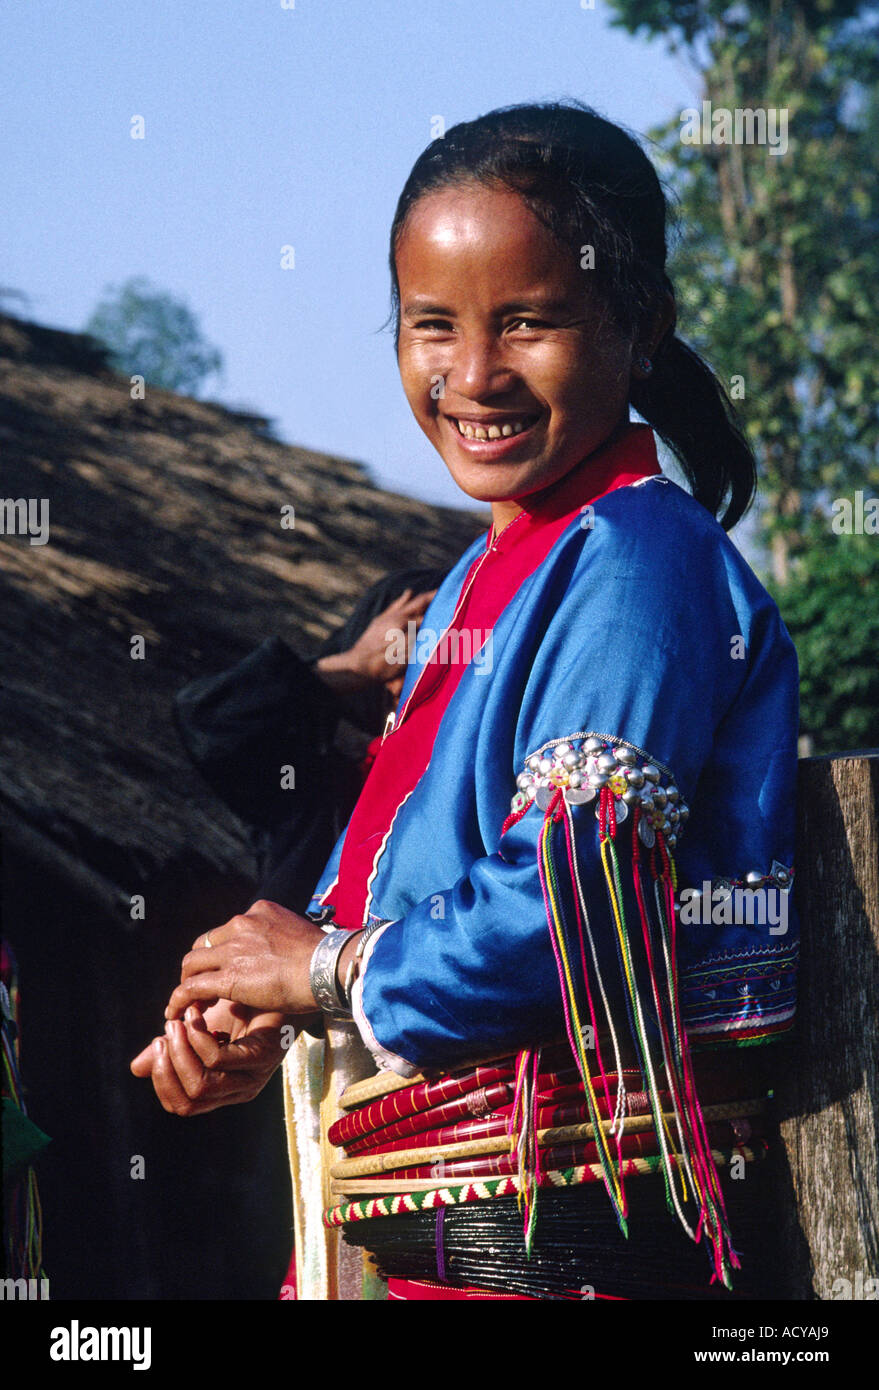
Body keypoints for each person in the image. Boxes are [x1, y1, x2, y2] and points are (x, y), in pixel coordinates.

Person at [132, 100, 799, 1301]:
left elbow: (573, 910)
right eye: (431, 325)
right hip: (423, 1248)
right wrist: (262, 1016)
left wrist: (325, 971)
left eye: (528, 322)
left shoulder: (639, 565)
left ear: (641, 325)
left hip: (554, 1258)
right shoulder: (472, 591)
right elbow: (386, 896)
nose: (473, 374)